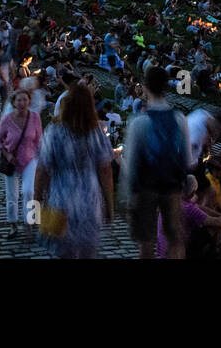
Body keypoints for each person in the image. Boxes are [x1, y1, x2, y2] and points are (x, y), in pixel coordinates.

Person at [33, 83, 114, 258]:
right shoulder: (97, 133)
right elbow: (105, 170)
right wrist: (109, 204)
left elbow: (42, 170)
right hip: (90, 204)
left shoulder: (53, 132)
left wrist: (36, 202)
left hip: (60, 200)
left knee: (64, 254)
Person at [123, 66, 189, 258]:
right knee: (174, 237)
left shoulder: (139, 122)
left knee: (146, 241)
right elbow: (187, 159)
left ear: (145, 87)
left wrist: (129, 196)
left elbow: (133, 162)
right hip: (172, 186)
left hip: (146, 187)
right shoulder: (179, 118)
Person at [0, 89, 43, 234]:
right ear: (14, 103)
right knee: (12, 194)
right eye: (19, 100)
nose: (22, 103)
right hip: (12, 160)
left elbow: (39, 138)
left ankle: (30, 221)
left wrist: (41, 157)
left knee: (29, 190)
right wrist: (7, 154)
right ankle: (12, 224)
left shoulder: (35, 117)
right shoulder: (7, 119)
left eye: (24, 100)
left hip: (30, 158)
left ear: (29, 101)